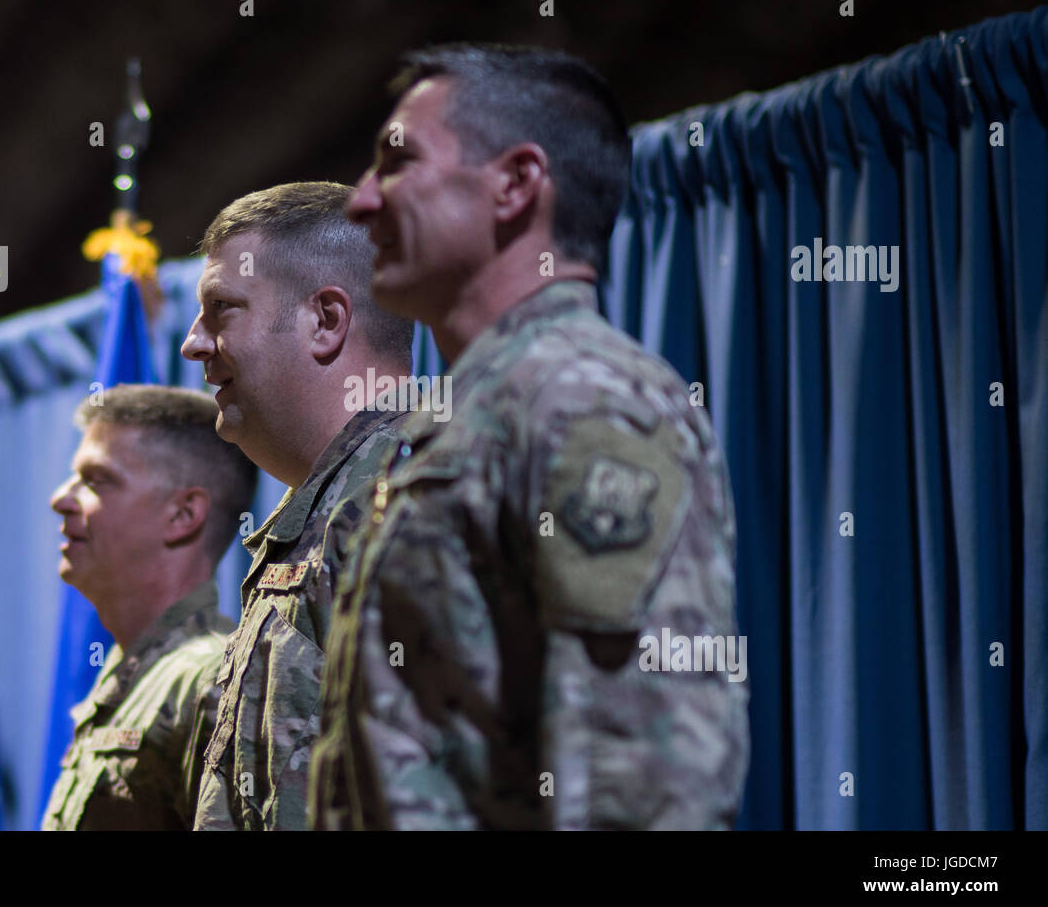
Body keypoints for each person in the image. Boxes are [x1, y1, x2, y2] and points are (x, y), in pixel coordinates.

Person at [309, 44, 750, 829]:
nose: (362, 201)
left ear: (514, 184)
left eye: (399, 163)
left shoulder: (587, 399)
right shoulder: (478, 410)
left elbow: (641, 776)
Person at [181, 181, 415, 830]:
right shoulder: (326, 507)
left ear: (326, 320)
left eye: (222, 309)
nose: (193, 343)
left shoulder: (411, 495)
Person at [41, 385, 257, 830]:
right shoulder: (133, 671)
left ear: (183, 514)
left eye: (96, 480)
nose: (61, 499)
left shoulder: (210, 682)